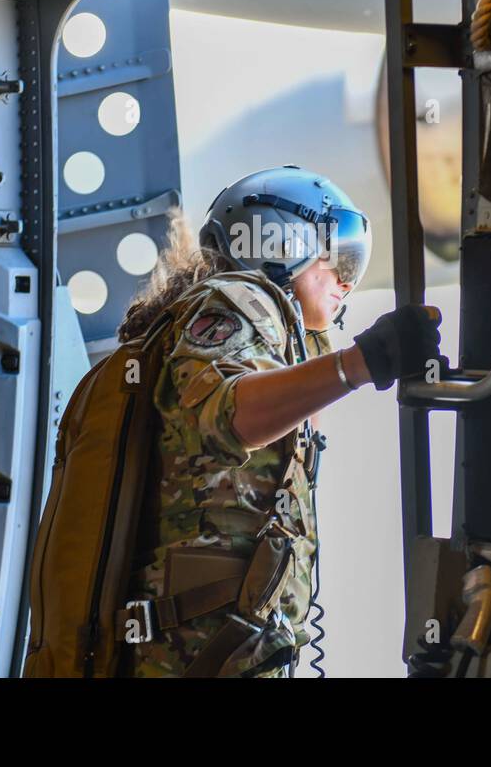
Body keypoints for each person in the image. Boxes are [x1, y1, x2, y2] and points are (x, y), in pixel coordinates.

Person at [113, 166, 444, 677]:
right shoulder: (237, 301)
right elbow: (229, 411)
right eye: (341, 258)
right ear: (282, 239)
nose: (348, 281)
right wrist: (359, 364)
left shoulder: (252, 326)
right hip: (197, 653)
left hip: (214, 651)